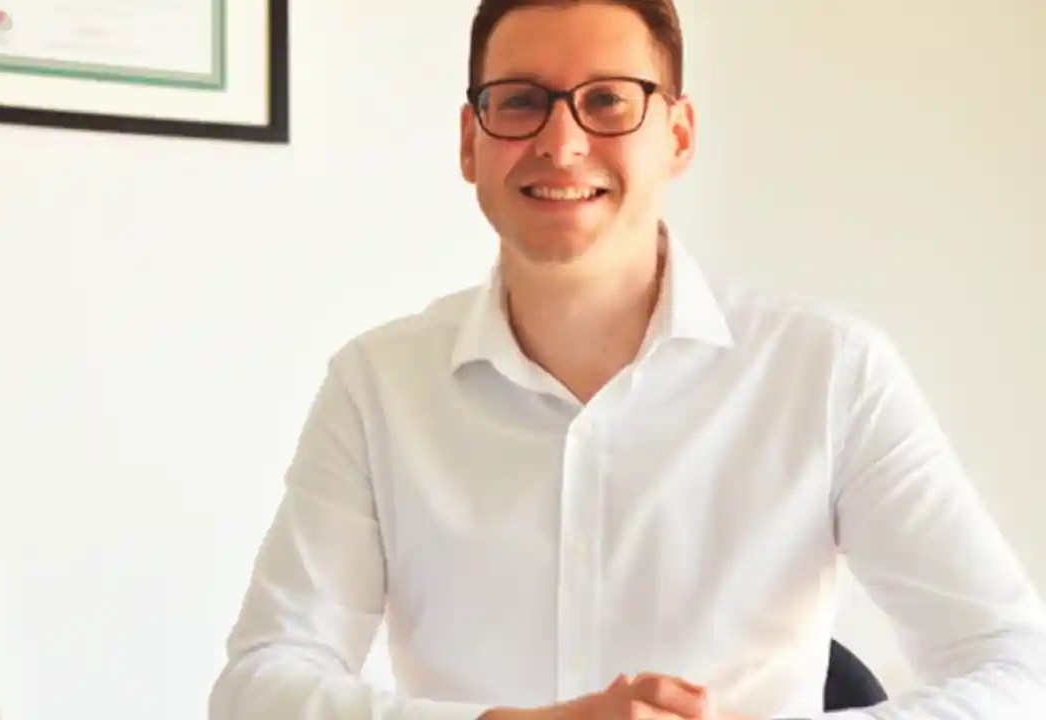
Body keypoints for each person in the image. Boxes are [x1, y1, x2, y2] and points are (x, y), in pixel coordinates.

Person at [208, 1, 1046, 718]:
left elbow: (1015, 667)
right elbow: (261, 684)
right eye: (521, 101)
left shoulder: (827, 371)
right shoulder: (377, 386)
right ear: (471, 142)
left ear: (678, 135)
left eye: (608, 100)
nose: (561, 140)